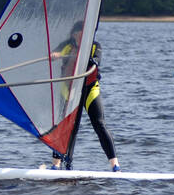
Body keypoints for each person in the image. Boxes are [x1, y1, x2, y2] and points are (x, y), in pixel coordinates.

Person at [45, 28, 119, 172]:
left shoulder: (94, 46)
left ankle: (115, 165)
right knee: (63, 126)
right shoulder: (67, 46)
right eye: (78, 33)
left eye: (83, 33)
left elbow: (97, 58)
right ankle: (56, 164)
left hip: (90, 89)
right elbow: (54, 53)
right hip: (69, 90)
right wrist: (56, 55)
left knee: (99, 124)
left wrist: (92, 60)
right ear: (73, 34)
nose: (81, 36)